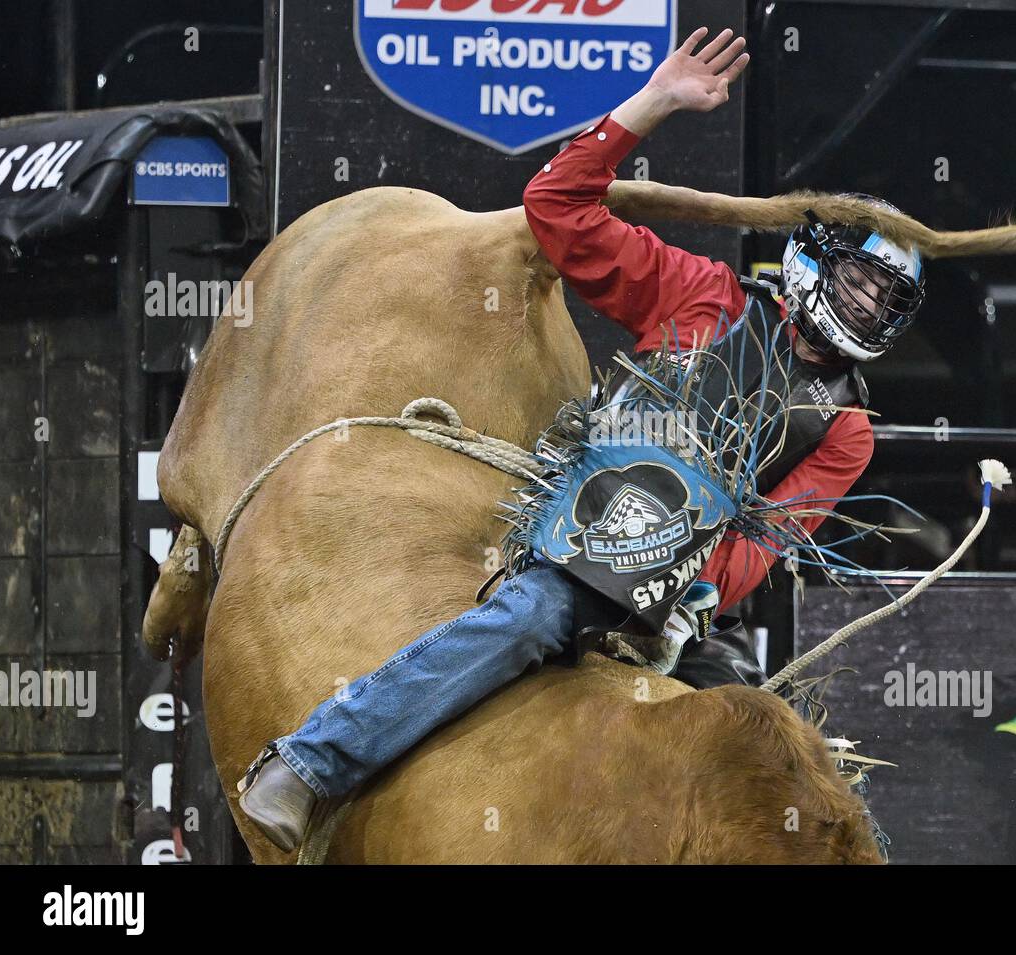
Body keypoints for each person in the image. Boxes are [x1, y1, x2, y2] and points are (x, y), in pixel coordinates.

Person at [237, 26, 926, 853]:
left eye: (886, 300)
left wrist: (686, 594)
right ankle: (312, 760)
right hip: (582, 544)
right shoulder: (703, 298)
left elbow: (764, 545)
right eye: (859, 279)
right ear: (817, 261)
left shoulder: (846, 429)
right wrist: (654, 103)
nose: (865, 306)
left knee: (774, 739)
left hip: (684, 604)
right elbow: (557, 206)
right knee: (529, 621)